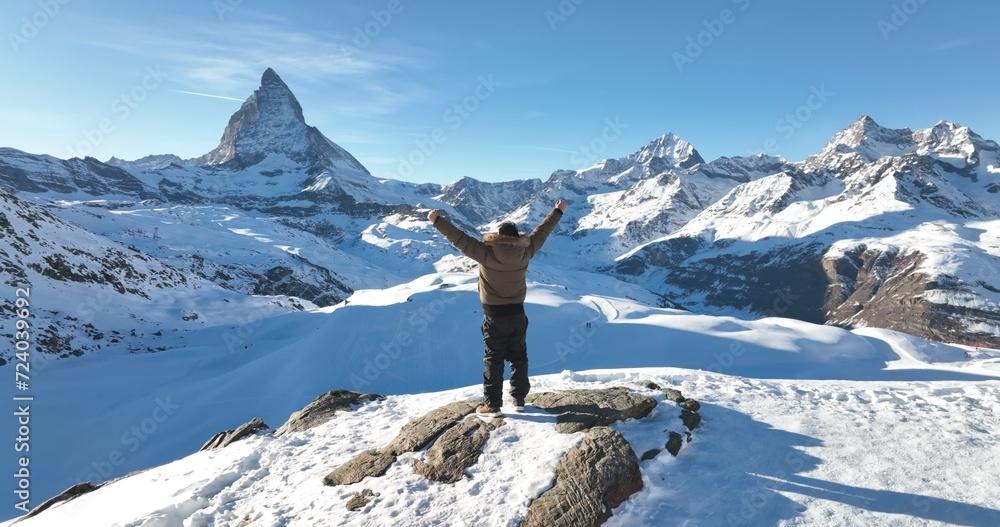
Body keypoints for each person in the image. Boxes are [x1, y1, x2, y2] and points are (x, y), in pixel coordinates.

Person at [428, 200, 567, 417]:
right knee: (519, 356)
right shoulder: (526, 250)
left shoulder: (485, 253)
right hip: (518, 314)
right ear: (516, 236)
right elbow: (542, 231)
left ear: (499, 235)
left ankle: (492, 404)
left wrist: (436, 220)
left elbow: (458, 238)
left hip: (494, 315)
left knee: (494, 358)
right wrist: (557, 211)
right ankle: (519, 399)